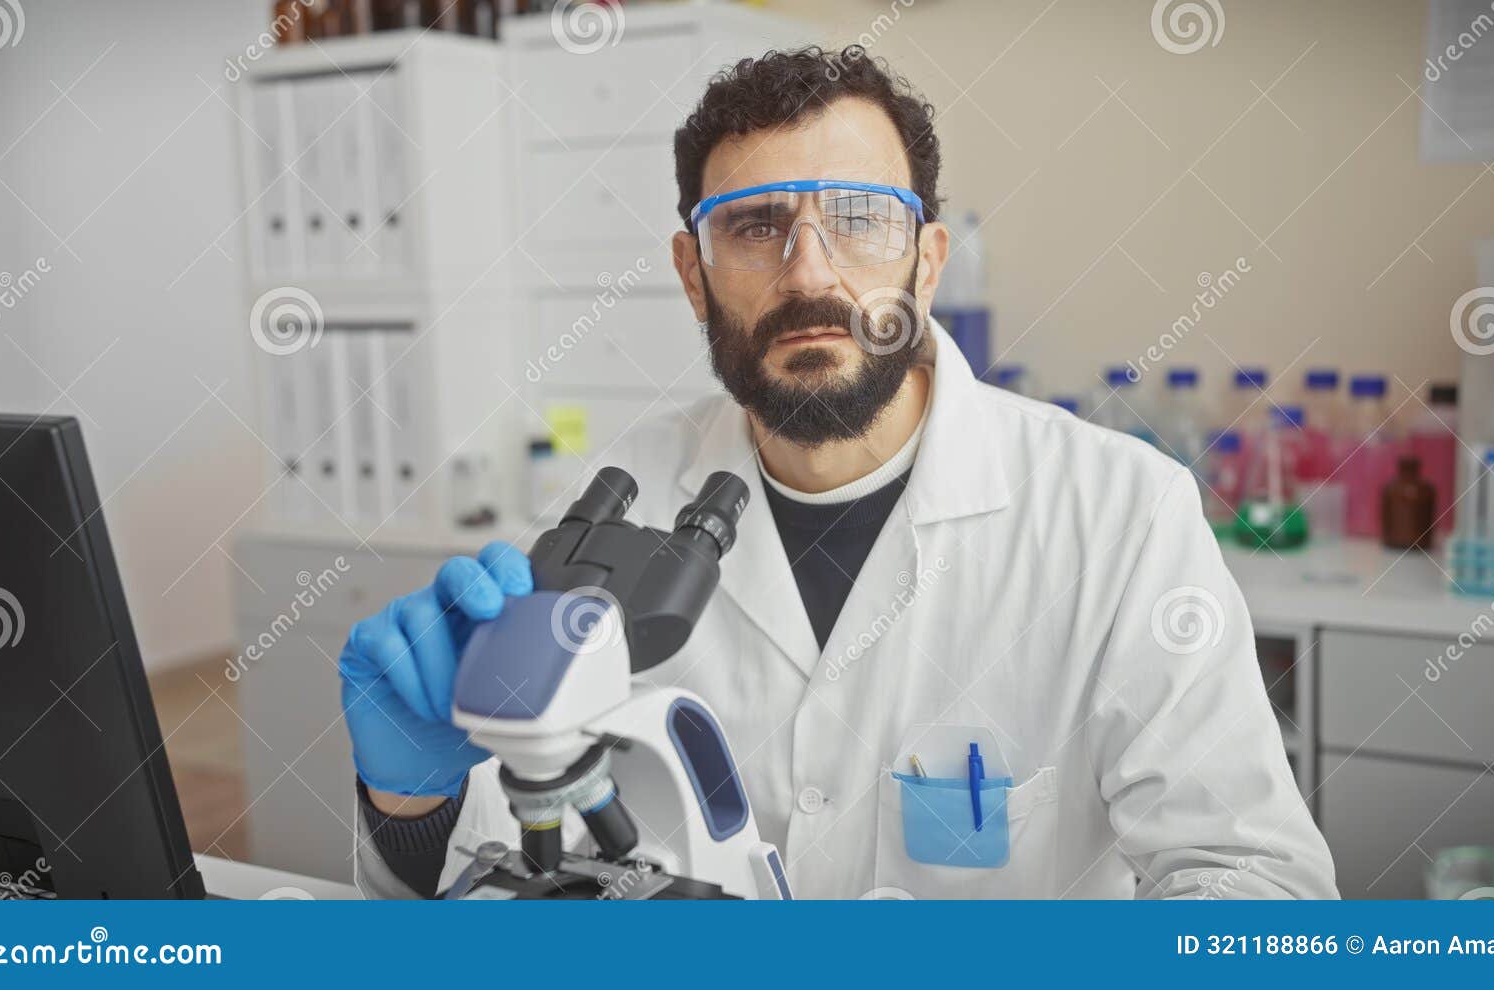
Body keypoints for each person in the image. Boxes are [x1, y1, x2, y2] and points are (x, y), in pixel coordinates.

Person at [341, 46, 1337, 899]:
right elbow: (514, 863)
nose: (810, 272)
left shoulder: (1119, 516)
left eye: (860, 217)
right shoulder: (617, 502)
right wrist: (410, 801)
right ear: (692, 273)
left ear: (927, 262)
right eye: (753, 226)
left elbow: (1255, 884)